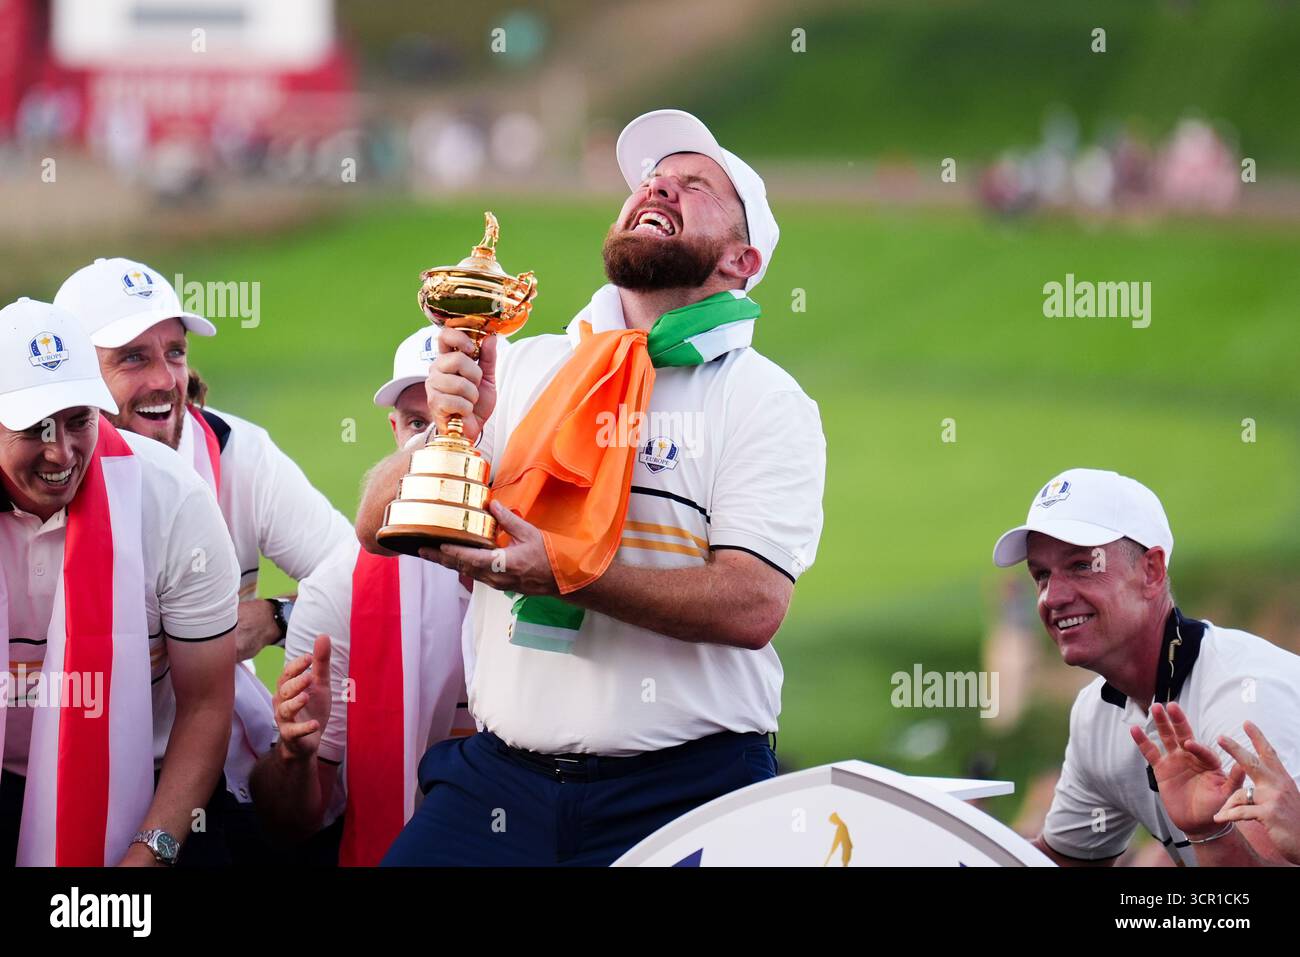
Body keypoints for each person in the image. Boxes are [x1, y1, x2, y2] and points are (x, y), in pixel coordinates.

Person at [357, 108, 826, 866]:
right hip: (501, 781)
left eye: (694, 185)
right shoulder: (528, 364)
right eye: (652, 180)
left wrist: (573, 575)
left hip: (684, 790)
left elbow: (752, 604)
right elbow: (375, 524)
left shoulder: (763, 400)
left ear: (742, 261)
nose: (660, 187)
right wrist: (450, 431)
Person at [54, 257, 353, 850]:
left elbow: (356, 568)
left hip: (200, 763)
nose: (165, 379)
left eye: (175, 351)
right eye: (133, 358)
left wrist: (279, 617)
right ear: (75, 376)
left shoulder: (236, 450)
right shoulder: (45, 466)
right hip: (57, 759)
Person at [0, 298, 238, 865]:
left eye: (80, 420)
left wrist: (150, 851)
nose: (61, 452)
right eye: (36, 429)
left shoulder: (172, 496)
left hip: (154, 780)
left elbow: (206, 706)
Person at [992, 467, 1300, 866]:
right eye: (1041, 575)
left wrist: (1209, 834)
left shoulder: (1244, 698)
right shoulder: (1095, 713)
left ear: (1152, 571)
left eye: (1082, 566)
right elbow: (1062, 862)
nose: (1054, 596)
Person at [249, 327, 475, 864]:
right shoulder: (337, 590)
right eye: (421, 425)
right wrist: (296, 754)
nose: (439, 446)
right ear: (395, 431)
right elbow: (293, 821)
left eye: (462, 420)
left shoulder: (556, 555)